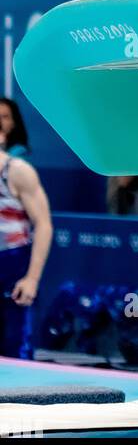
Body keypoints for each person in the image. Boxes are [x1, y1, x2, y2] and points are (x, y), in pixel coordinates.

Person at [0, 142, 53, 357]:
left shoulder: (17, 171)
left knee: (15, 348)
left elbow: (43, 224)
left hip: (11, 271)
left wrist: (32, 279)